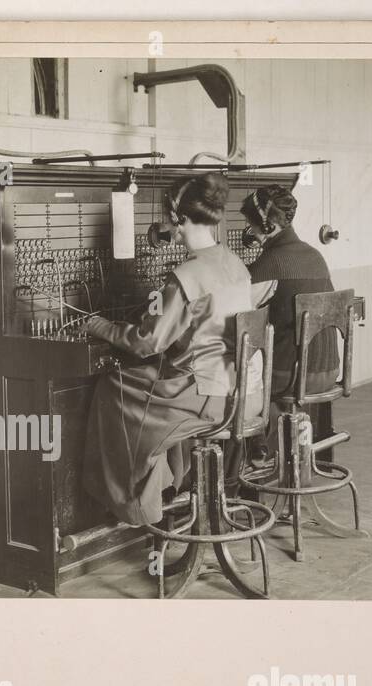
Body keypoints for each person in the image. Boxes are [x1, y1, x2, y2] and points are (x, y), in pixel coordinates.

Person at [81, 172, 256, 527]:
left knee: (113, 387)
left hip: (205, 396)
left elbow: (148, 342)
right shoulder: (235, 263)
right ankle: (170, 485)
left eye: (167, 217)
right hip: (243, 392)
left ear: (180, 219)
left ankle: (142, 508)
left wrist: (97, 325)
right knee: (151, 381)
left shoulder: (186, 274)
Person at [241, 185, 338, 460]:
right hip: (328, 371)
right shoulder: (315, 256)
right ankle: (283, 459)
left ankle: (252, 464)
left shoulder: (271, 261)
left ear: (267, 225)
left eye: (253, 227)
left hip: (294, 376)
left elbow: (237, 310)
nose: (253, 235)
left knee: (237, 371)